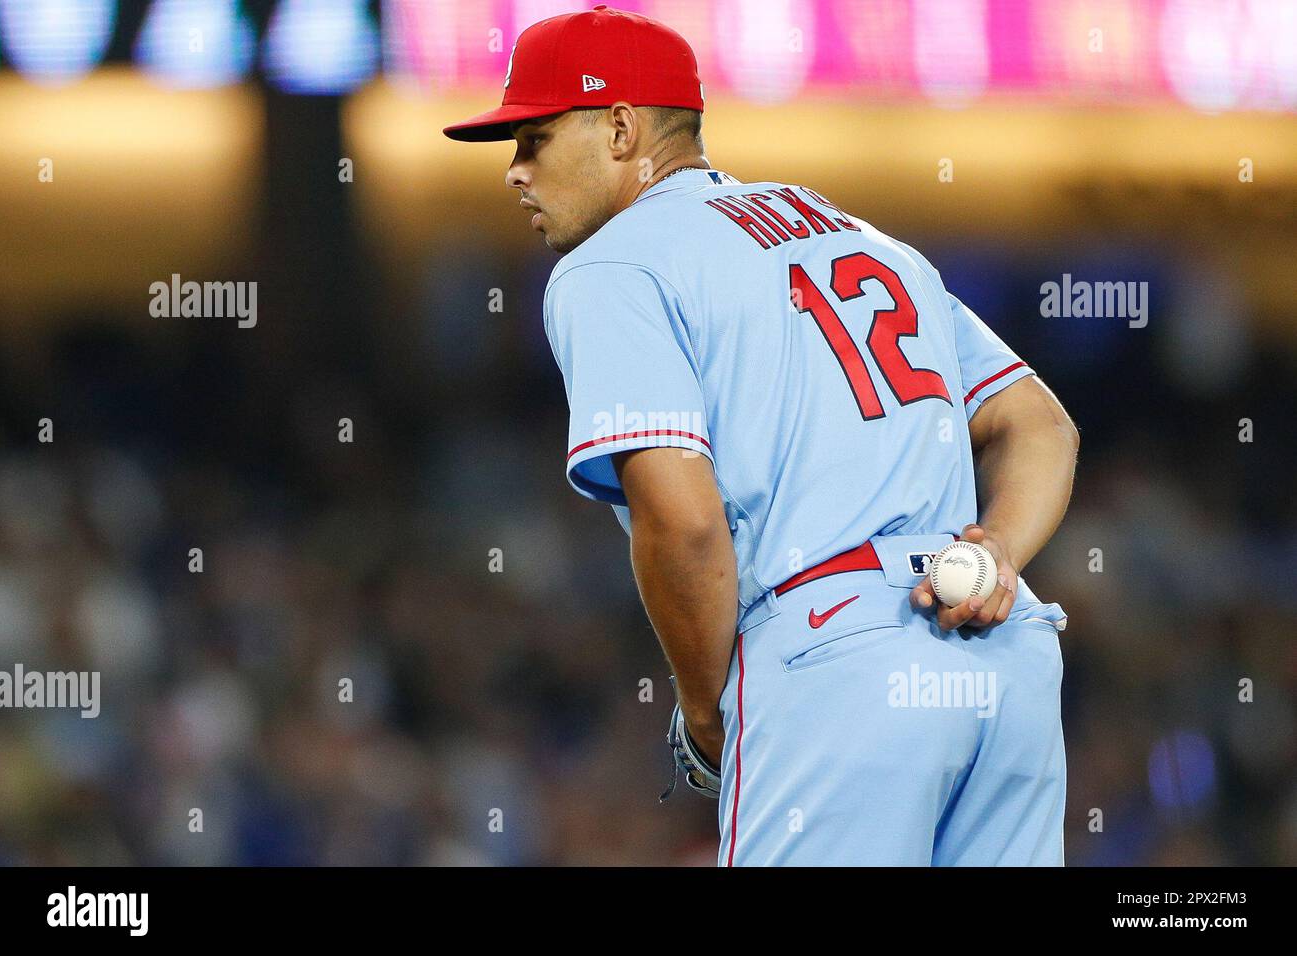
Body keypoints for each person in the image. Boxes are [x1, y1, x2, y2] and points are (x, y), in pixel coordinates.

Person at [444, 4, 1080, 866]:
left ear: (622, 128)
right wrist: (997, 551)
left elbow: (684, 521)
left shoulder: (607, 265)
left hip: (834, 662)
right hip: (1005, 654)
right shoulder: (863, 238)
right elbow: (1040, 423)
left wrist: (709, 715)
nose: (515, 172)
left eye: (534, 139)